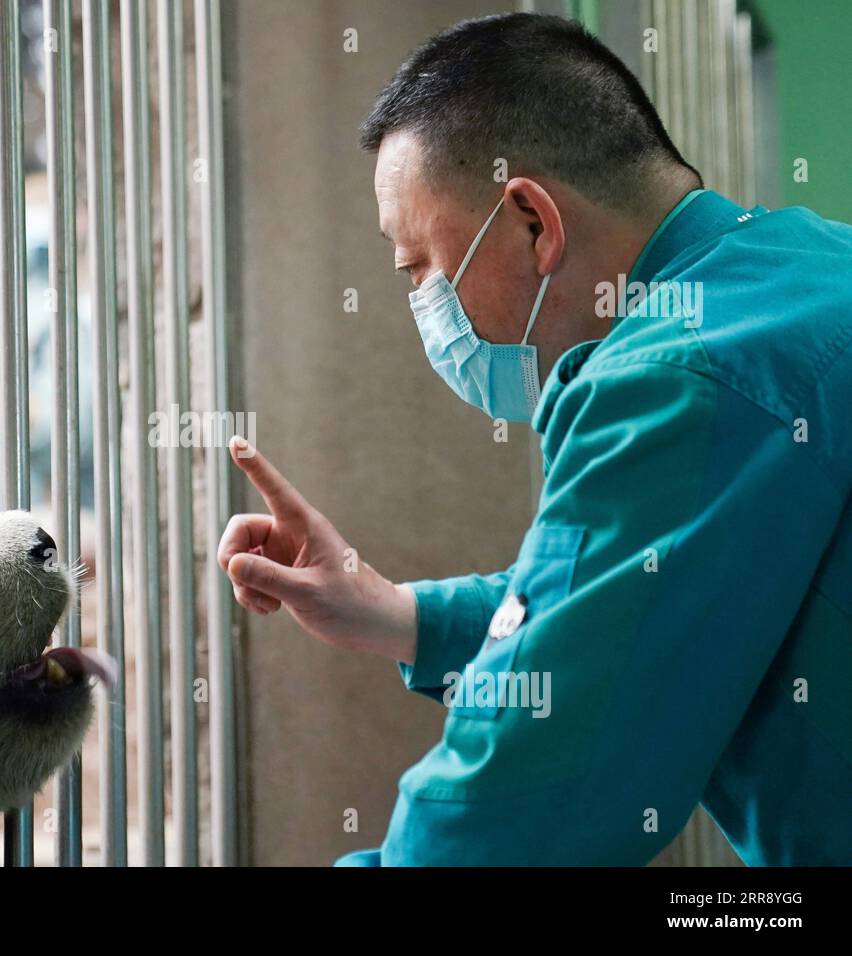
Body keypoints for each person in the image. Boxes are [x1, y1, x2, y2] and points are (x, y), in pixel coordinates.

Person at [217, 13, 852, 866]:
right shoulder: (805, 265)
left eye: (417, 267)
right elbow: (621, 602)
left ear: (532, 222)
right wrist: (398, 614)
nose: (422, 306)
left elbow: (512, 812)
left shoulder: (673, 378)